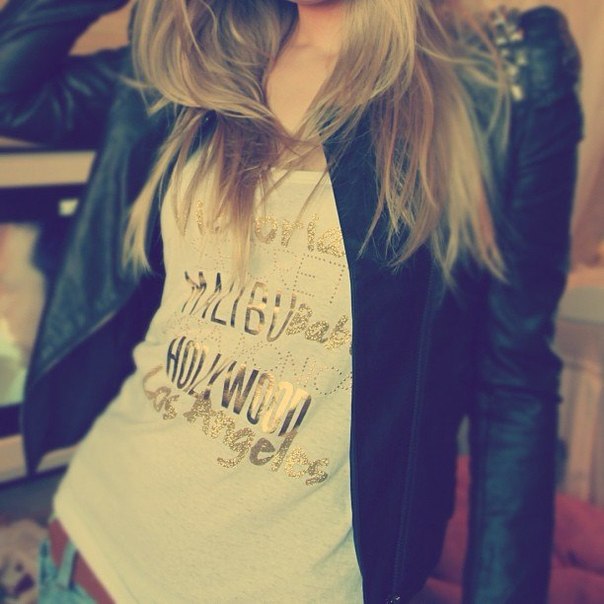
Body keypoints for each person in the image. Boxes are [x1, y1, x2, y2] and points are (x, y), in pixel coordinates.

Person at [0, 0, 582, 602]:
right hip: (89, 554)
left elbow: (513, 387)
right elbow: (9, 90)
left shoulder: (493, 81)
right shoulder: (200, 59)